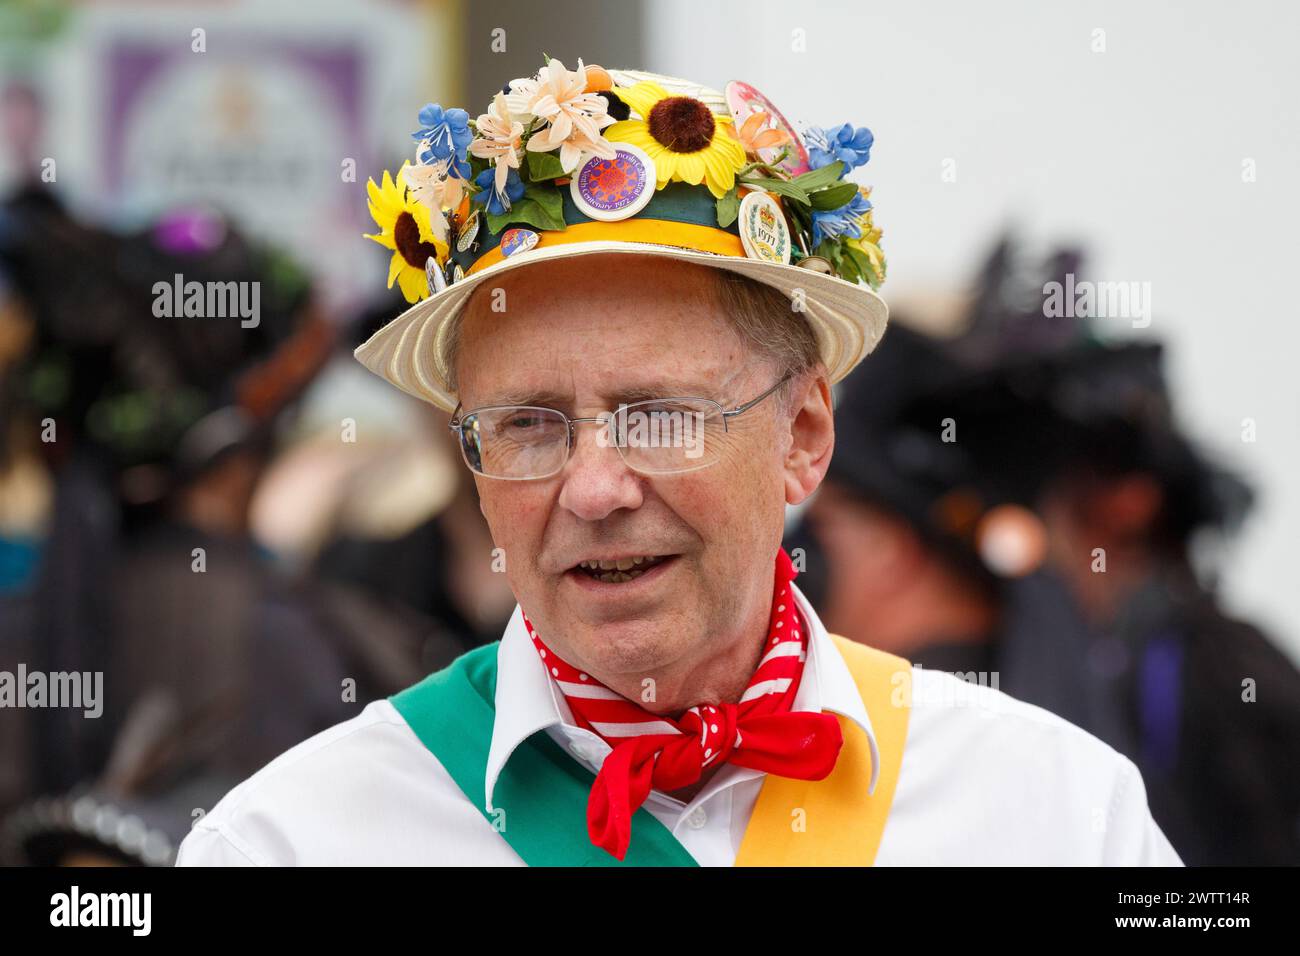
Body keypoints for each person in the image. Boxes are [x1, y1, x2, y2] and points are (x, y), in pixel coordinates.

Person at [177, 60, 1180, 866]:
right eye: (526, 425)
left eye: (657, 415)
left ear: (802, 436)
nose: (595, 487)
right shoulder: (292, 841)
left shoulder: (1053, 814)